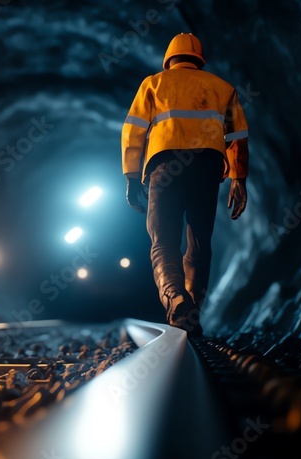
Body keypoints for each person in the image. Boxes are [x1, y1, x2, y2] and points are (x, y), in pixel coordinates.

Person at [120, 33, 249, 335]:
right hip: (207, 167)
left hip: (164, 167)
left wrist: (130, 176)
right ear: (199, 58)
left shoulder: (153, 83)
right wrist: (238, 179)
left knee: (163, 239)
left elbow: (133, 131)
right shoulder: (222, 87)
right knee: (199, 243)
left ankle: (176, 299)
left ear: (169, 57)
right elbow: (238, 137)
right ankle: (192, 312)